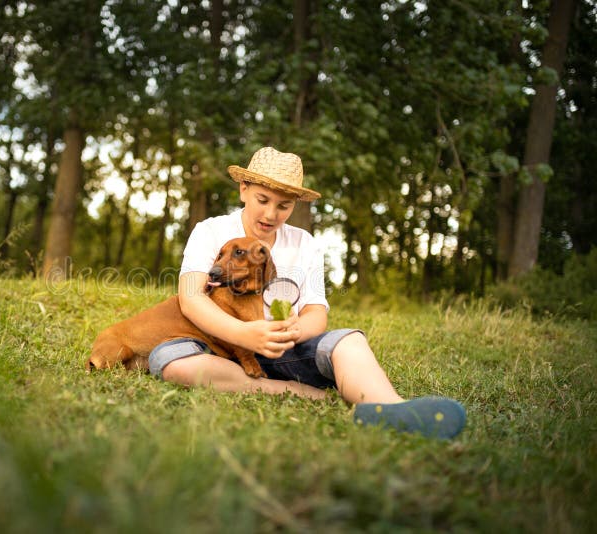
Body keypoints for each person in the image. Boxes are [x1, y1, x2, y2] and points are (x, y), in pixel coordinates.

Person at [149, 147, 466, 439]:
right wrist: (244, 334)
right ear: (243, 188)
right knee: (173, 361)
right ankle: (291, 390)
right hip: (219, 346)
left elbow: (316, 312)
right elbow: (191, 298)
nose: (271, 214)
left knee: (350, 341)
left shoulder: (305, 244)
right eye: (263, 200)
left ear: (295, 204)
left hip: (283, 348)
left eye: (284, 205)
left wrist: (294, 330)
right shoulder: (211, 231)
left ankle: (392, 408)